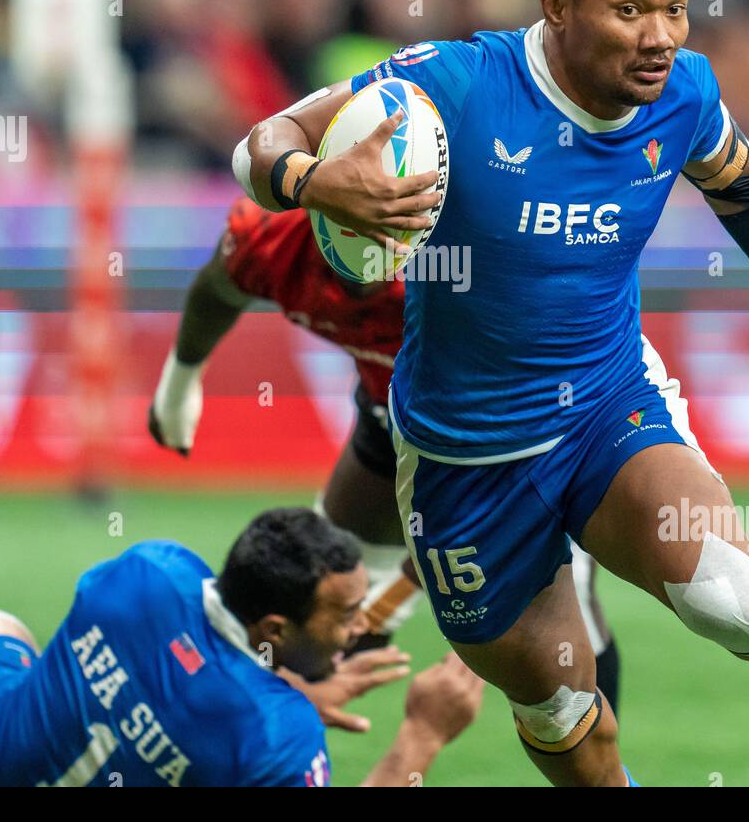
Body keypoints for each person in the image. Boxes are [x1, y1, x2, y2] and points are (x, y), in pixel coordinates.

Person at [232, 0, 749, 787]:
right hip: (463, 461)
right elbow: (261, 144)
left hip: (608, 409)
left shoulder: (682, 92)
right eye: (631, 8)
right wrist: (313, 179)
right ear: (557, 6)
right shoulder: (457, 84)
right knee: (571, 719)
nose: (661, 35)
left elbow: (746, 187)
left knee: (728, 596)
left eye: (676, 7)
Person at [148, 196, 624, 709]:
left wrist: (393, 599)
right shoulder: (271, 236)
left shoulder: (470, 275)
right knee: (309, 602)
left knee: (559, 634)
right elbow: (219, 288)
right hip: (388, 414)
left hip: (528, 434)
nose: (376, 244)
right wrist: (180, 380)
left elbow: (489, 490)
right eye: (352, 219)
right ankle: (259, 748)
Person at [0, 508, 482, 787]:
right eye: (345, 612)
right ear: (271, 630)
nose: (361, 624)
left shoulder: (149, 571)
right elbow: (214, 710)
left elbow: (180, 673)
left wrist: (275, 684)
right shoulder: (278, 739)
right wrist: (419, 736)